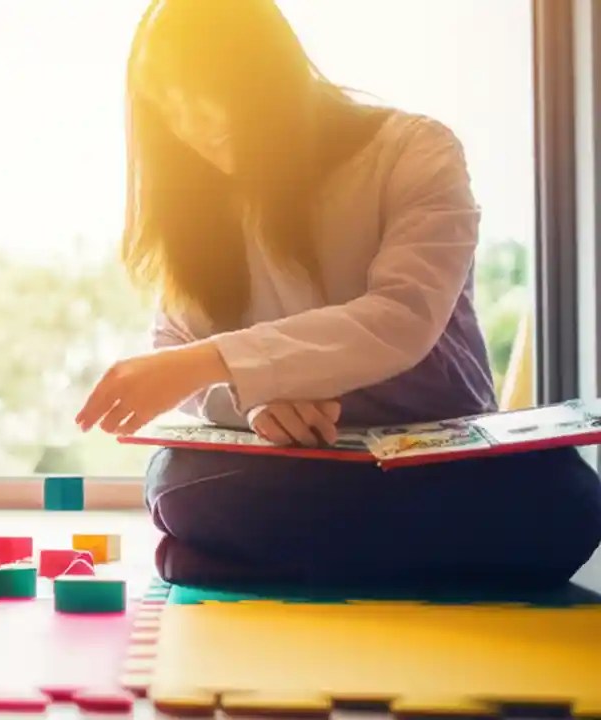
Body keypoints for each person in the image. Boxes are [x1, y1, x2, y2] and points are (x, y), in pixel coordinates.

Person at [77, 0, 601, 589]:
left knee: (568, 496)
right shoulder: (200, 205)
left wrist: (218, 362)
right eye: (168, 107)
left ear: (265, 67)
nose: (192, 122)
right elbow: (176, 342)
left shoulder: (414, 149)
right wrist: (260, 404)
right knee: (178, 482)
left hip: (436, 459)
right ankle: (416, 566)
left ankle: (250, 564)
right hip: (294, 469)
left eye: (205, 89)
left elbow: (400, 319)